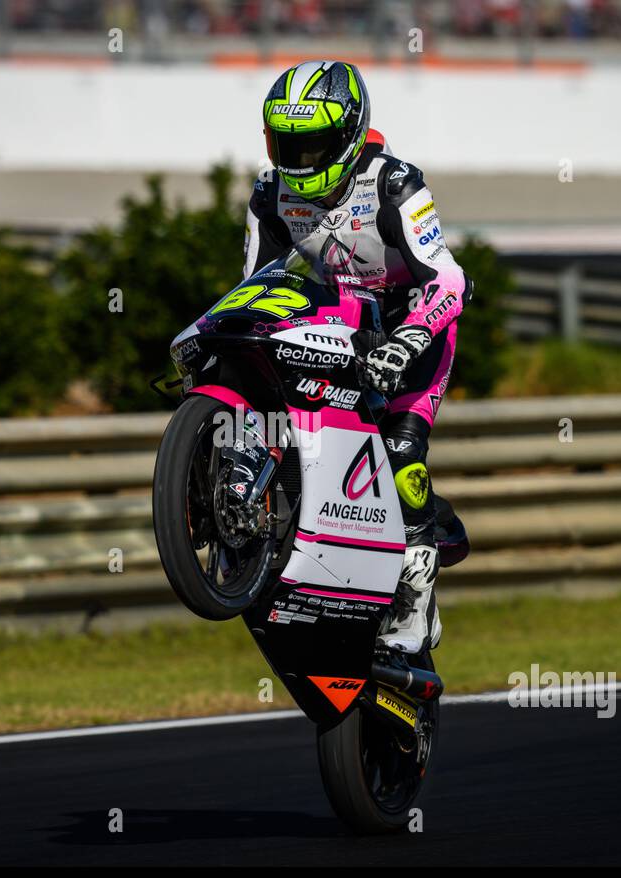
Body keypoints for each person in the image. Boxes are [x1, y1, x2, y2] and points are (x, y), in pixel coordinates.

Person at [244, 60, 470, 655]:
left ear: (347, 136)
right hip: (337, 323)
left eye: (313, 145)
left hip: (416, 325)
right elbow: (253, 284)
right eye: (286, 145)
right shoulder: (270, 195)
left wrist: (406, 342)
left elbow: (449, 281)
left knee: (399, 452)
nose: (299, 162)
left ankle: (418, 592)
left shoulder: (396, 183)